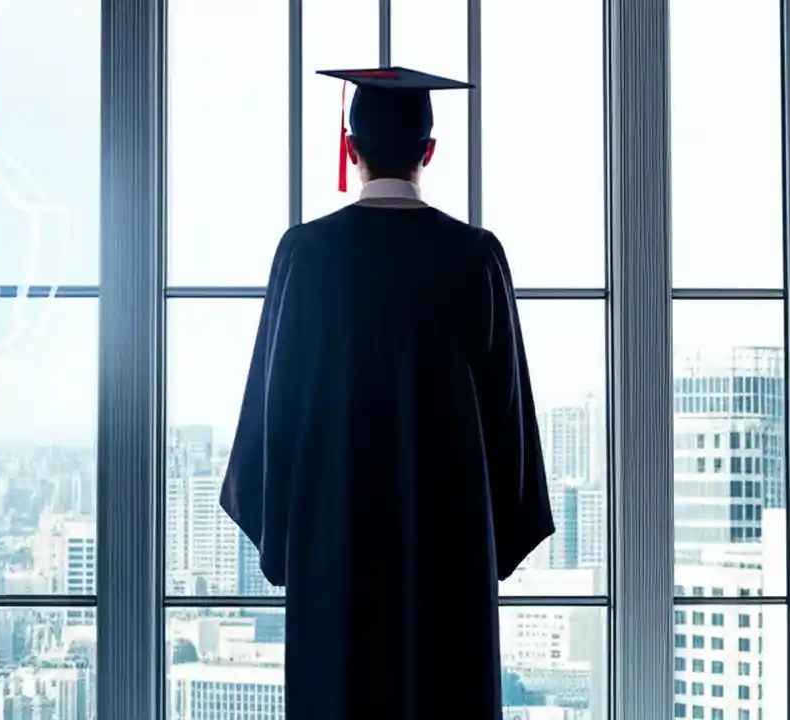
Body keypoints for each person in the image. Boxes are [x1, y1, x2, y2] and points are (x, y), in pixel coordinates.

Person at [220, 66, 554, 720]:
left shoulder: (305, 255)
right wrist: (496, 538)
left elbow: (273, 411)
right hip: (446, 561)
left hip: (334, 555)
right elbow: (507, 423)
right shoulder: (474, 257)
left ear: (351, 150)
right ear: (429, 152)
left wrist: (286, 539)